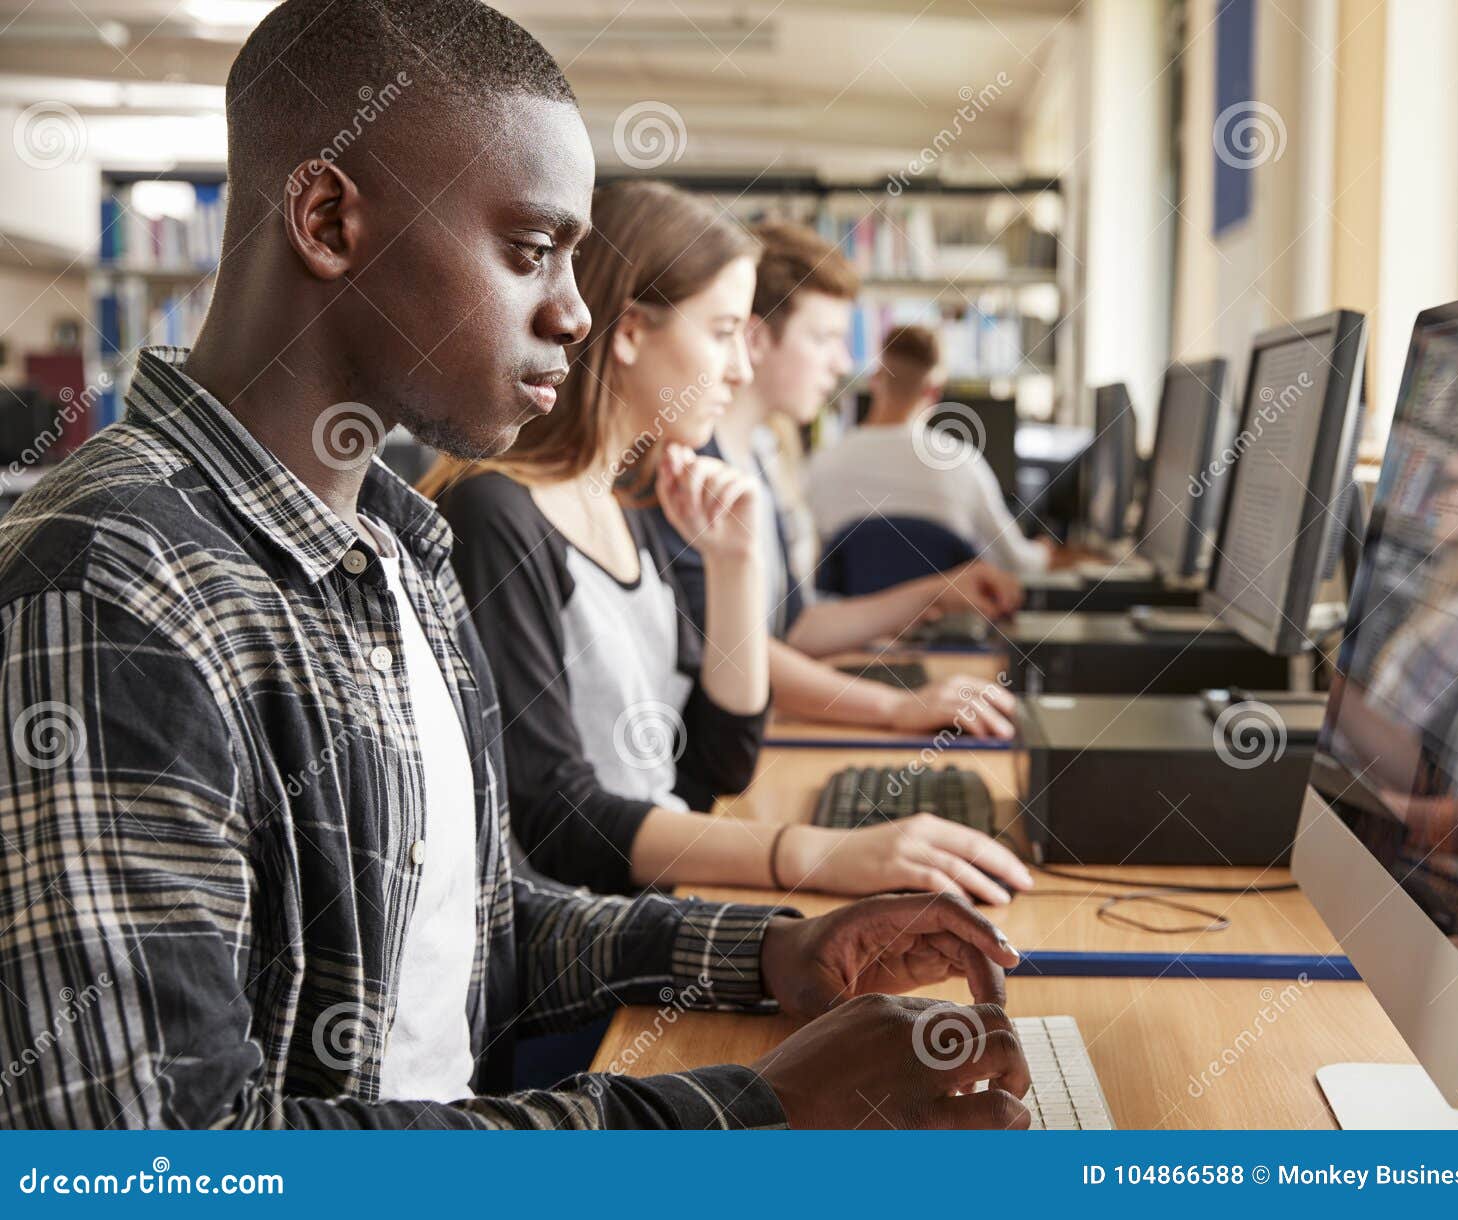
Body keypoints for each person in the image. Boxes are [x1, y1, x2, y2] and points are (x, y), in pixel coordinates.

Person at [0, 0, 1032, 1131]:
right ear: (331, 220)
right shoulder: (112, 586)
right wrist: (737, 1112)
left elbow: (487, 926)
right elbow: (155, 1169)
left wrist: (775, 949)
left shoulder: (402, 547)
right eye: (530, 251)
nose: (578, 313)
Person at [421, 182, 1028, 905]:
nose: (739, 369)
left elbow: (721, 764)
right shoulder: (497, 516)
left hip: (653, 907)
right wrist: (815, 854)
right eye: (721, 332)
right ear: (633, 332)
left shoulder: (630, 506)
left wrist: (734, 565)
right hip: (578, 957)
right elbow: (560, 822)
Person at [653, 221, 1022, 739]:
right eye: (824, 338)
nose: (843, 362)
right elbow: (734, 648)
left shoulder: (758, 453)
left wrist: (937, 590)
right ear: (757, 339)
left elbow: (796, 629)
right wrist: (896, 709)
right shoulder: (687, 468)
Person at [807, 324, 1054, 575]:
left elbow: (806, 565)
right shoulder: (962, 464)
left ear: (874, 380)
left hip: (847, 614)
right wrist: (1045, 551)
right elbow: (1017, 563)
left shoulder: (822, 465)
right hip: (944, 612)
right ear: (933, 392)